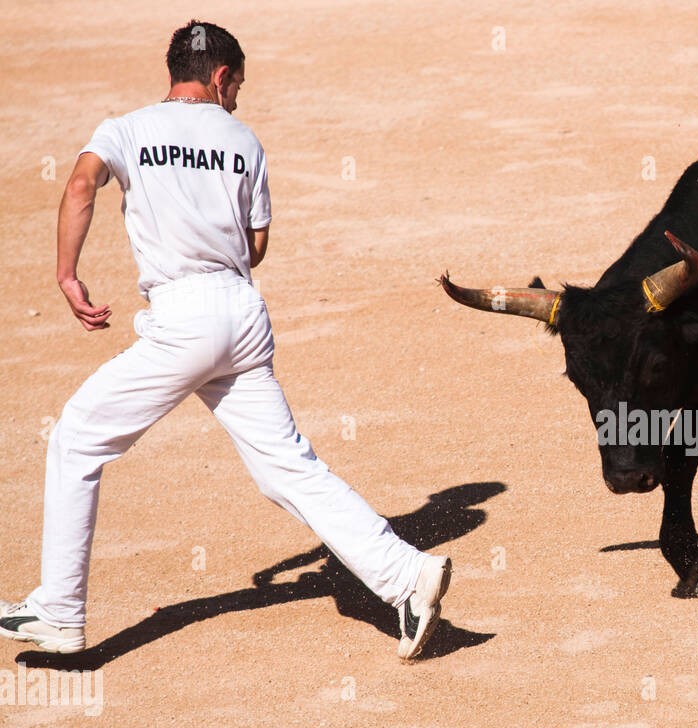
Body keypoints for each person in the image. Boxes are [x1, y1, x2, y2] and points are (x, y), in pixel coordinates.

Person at [0, 20, 450, 661]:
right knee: (290, 468)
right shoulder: (243, 140)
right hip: (241, 317)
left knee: (77, 436)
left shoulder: (126, 127)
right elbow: (255, 246)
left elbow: (80, 186)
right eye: (237, 84)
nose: (237, 97)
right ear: (220, 76)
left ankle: (59, 610)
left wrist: (67, 275)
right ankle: (408, 576)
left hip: (182, 318)